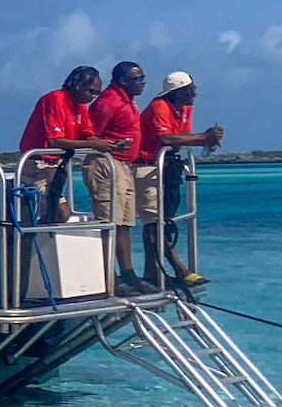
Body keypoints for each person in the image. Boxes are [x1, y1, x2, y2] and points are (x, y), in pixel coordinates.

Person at [136, 71, 223, 287]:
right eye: (191, 89)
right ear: (179, 92)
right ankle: (179, 269)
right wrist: (203, 137)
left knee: (160, 220)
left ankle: (151, 273)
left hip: (164, 167)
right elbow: (165, 138)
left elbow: (180, 138)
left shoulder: (184, 108)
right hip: (146, 166)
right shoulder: (159, 106)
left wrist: (206, 141)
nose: (195, 93)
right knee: (155, 221)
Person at [18, 65, 127, 223]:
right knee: (61, 213)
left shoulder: (80, 106)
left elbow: (88, 135)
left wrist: (111, 145)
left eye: (97, 93)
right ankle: (29, 233)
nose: (94, 97)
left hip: (56, 166)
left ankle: (34, 232)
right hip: (39, 164)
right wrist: (95, 145)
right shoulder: (55, 99)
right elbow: (55, 140)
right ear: (78, 85)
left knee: (57, 212)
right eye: (92, 91)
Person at [84, 61, 148, 296]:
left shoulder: (128, 101)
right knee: (109, 222)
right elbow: (89, 135)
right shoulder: (108, 102)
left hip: (124, 166)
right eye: (138, 79)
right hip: (107, 164)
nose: (143, 83)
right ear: (123, 80)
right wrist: (109, 146)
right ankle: (107, 276)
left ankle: (127, 273)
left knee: (124, 222)